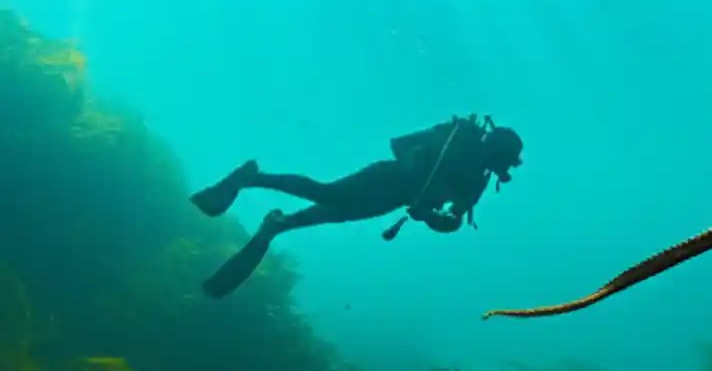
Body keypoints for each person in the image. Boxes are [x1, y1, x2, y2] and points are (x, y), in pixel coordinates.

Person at [189, 113, 524, 299]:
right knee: (328, 196)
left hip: (391, 200)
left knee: (332, 211)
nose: (498, 168)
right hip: (383, 180)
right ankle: (251, 178)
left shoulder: (476, 180)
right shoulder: (453, 139)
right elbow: (399, 144)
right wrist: (419, 173)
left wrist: (429, 217)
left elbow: (454, 222)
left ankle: (275, 225)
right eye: (501, 161)